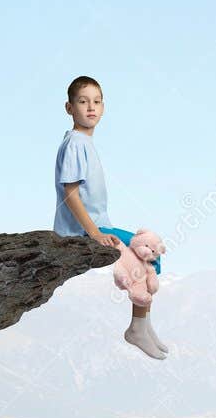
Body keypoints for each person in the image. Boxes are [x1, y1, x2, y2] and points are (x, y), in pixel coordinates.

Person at [54, 75, 170, 360]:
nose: (90, 107)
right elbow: (70, 193)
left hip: (97, 223)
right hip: (81, 230)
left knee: (153, 254)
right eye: (83, 102)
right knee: (142, 263)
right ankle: (137, 329)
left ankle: (142, 324)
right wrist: (94, 233)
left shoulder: (83, 142)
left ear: (103, 107)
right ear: (69, 108)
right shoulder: (76, 144)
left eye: (96, 101)